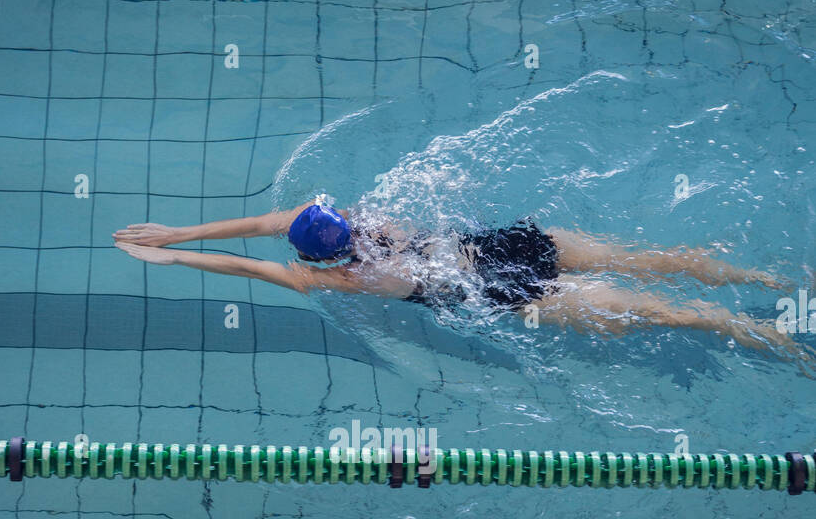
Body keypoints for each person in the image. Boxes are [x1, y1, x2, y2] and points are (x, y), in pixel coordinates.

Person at [112, 200, 799, 358]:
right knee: (657, 260)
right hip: (499, 247)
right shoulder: (345, 216)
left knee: (659, 312)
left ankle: (767, 333)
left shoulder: (351, 280)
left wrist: (176, 254)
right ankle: (769, 277)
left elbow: (252, 260)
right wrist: (173, 233)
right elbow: (266, 224)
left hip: (497, 294)